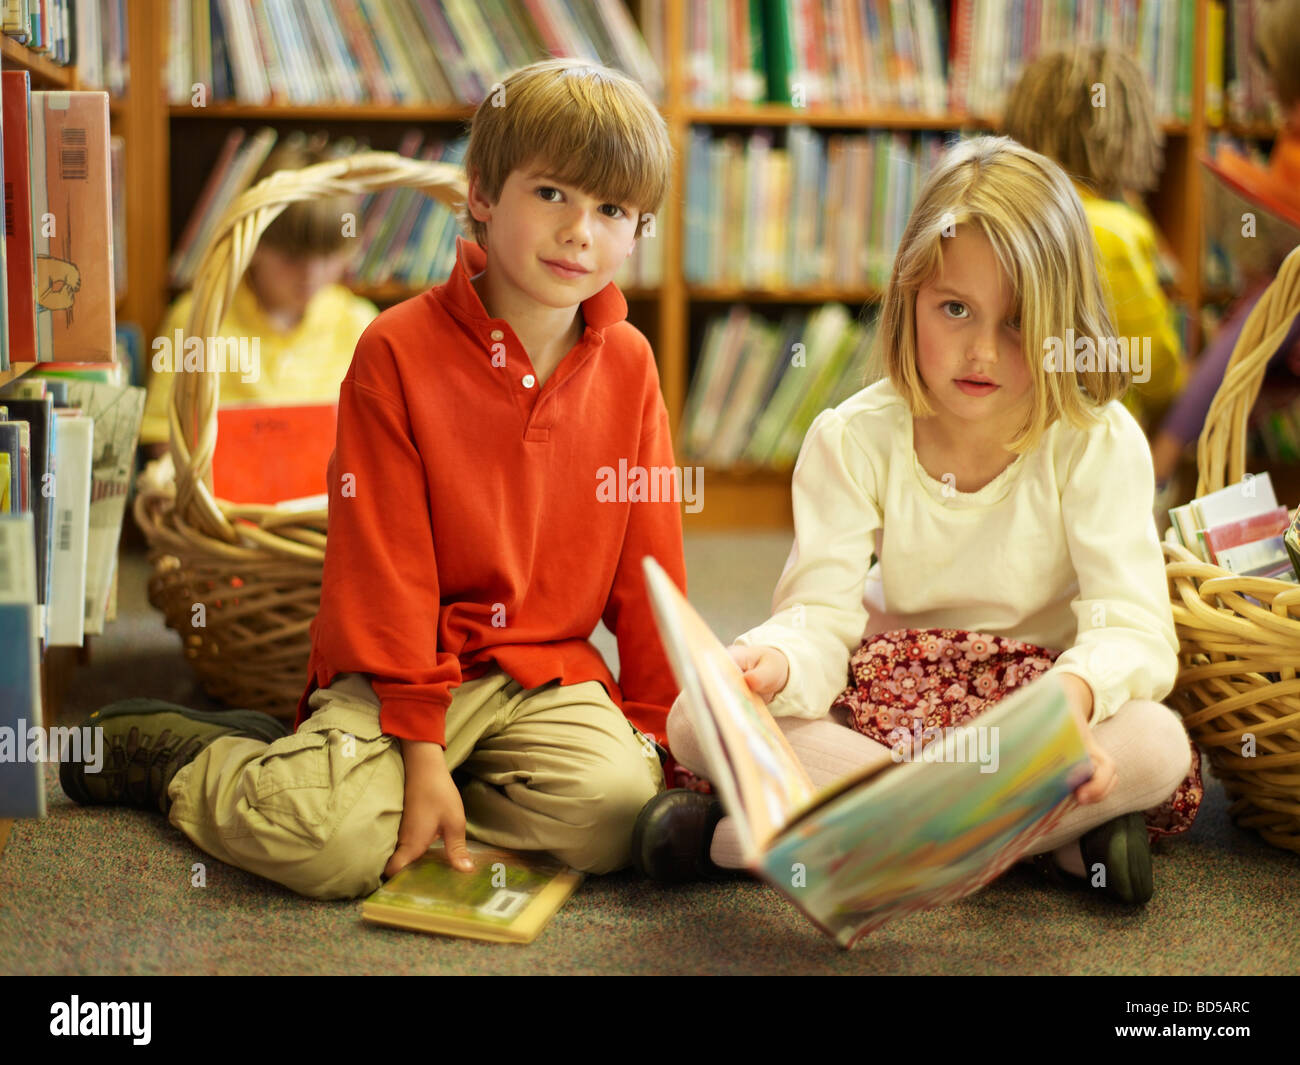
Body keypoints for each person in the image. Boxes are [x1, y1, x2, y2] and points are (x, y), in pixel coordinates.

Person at [62, 59, 685, 899]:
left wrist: (661, 734)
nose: (581, 230)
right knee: (323, 850)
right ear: (483, 196)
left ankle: (390, 794)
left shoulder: (633, 361)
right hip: (398, 668)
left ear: (637, 230)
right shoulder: (394, 350)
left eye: (611, 209)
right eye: (552, 195)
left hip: (542, 675)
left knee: (615, 815)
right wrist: (421, 748)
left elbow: (652, 574)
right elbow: (386, 573)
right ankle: (200, 757)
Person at [634, 136, 1200, 905]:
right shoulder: (853, 436)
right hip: (893, 704)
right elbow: (816, 617)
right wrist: (772, 662)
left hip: (1039, 712)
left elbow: (1132, 628)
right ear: (909, 298)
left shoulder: (1098, 441)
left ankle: (761, 843)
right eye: (955, 308)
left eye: (1018, 321)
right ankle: (1038, 845)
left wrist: (1070, 700)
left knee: (1159, 741)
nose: (980, 350)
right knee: (696, 717)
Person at [140, 140, 379, 457]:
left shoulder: (360, 323)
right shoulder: (197, 318)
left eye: (329, 255)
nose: (312, 274)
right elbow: (161, 437)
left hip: (328, 504)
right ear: (253, 245)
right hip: (223, 504)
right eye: (292, 258)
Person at [1150, 0, 1300, 485]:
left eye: (1284, 86)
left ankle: (1166, 460)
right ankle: (1211, 469)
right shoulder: (1290, 137)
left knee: (1259, 317)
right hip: (1284, 283)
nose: (1275, 98)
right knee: (1256, 316)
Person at [1002, 44, 1185, 434]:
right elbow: (1158, 375)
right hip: (1095, 455)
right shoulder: (1113, 232)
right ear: (1126, 134)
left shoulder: (1002, 214)